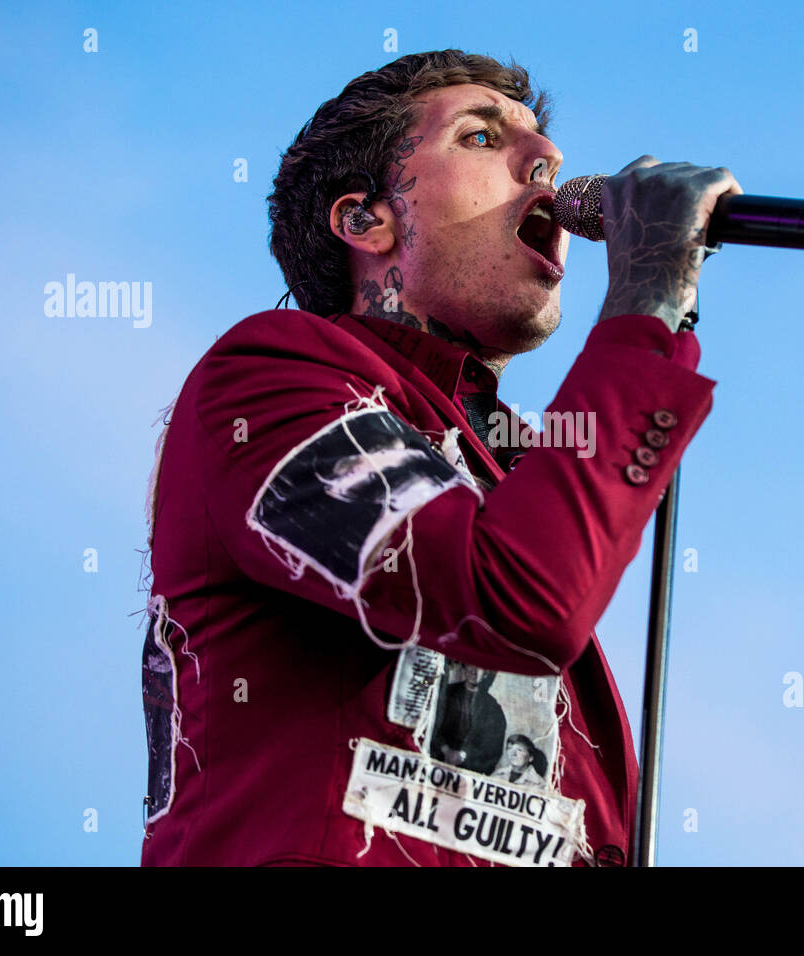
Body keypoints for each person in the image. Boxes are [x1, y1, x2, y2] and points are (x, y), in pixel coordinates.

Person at [139, 49, 738, 867]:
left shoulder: (514, 470)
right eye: (484, 137)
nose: (546, 162)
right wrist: (645, 305)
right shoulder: (268, 376)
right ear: (364, 221)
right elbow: (515, 597)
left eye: (544, 143)